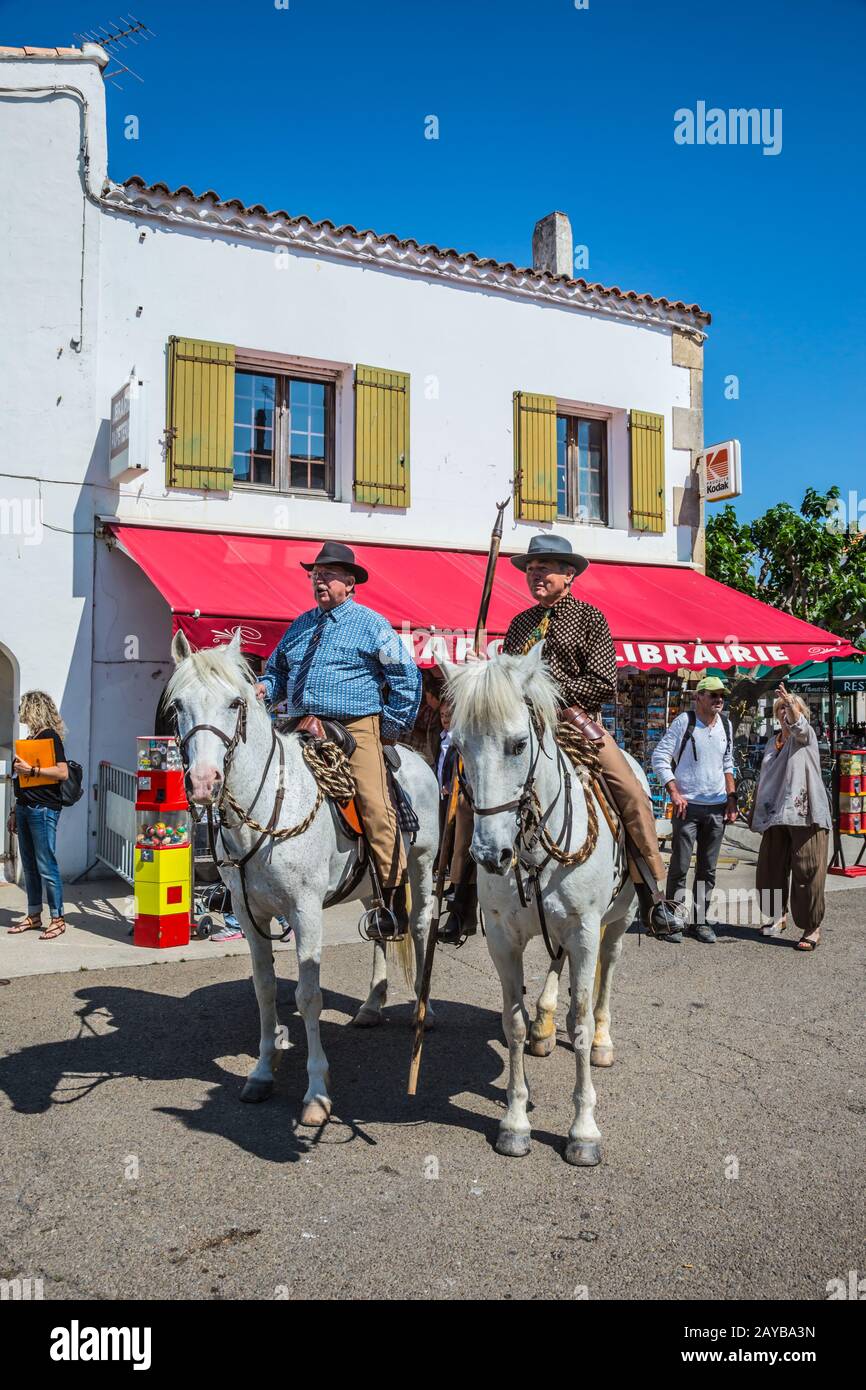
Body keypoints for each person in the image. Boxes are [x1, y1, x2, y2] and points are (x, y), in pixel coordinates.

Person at [443, 533, 678, 940]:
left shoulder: (590, 618)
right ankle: (461, 897)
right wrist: (484, 672)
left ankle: (652, 892)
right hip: (524, 728)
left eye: (544, 568)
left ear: (569, 574)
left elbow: (604, 681)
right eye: (531, 569)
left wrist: (545, 688)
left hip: (576, 722)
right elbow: (506, 684)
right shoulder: (520, 624)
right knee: (469, 800)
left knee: (631, 792)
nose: (535, 575)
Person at [256, 541, 421, 938]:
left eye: (329, 575)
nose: (320, 581)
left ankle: (392, 901)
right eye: (316, 575)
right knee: (261, 786)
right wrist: (263, 688)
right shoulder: (299, 625)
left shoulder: (371, 624)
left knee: (376, 804)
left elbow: (407, 677)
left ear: (350, 583)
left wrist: (391, 726)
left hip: (355, 727)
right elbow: (277, 671)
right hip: (298, 725)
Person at [652, 676, 738, 943]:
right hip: (687, 808)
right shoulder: (685, 722)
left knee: (708, 869)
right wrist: (674, 792)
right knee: (679, 867)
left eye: (721, 695)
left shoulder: (726, 724)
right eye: (712, 694)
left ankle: (700, 922)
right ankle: (672, 922)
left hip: (717, 807)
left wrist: (732, 798)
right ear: (698, 697)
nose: (718, 699)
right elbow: (660, 757)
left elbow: (728, 762)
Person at [753, 684, 831, 951]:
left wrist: (793, 706)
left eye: (790, 708)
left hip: (805, 814)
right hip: (776, 814)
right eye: (781, 708)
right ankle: (777, 917)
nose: (785, 712)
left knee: (807, 871)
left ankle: (812, 927)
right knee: (770, 870)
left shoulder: (805, 736)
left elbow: (799, 726)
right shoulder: (772, 741)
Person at [7, 691, 70, 940]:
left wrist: (31, 769)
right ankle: (34, 915)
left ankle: (58, 918)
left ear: (34, 708)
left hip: (43, 809)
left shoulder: (50, 737)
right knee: (30, 866)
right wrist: (14, 810)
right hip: (25, 807)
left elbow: (62, 772)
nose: (20, 710)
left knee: (46, 864)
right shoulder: (31, 738)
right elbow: (21, 781)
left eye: (23, 706)